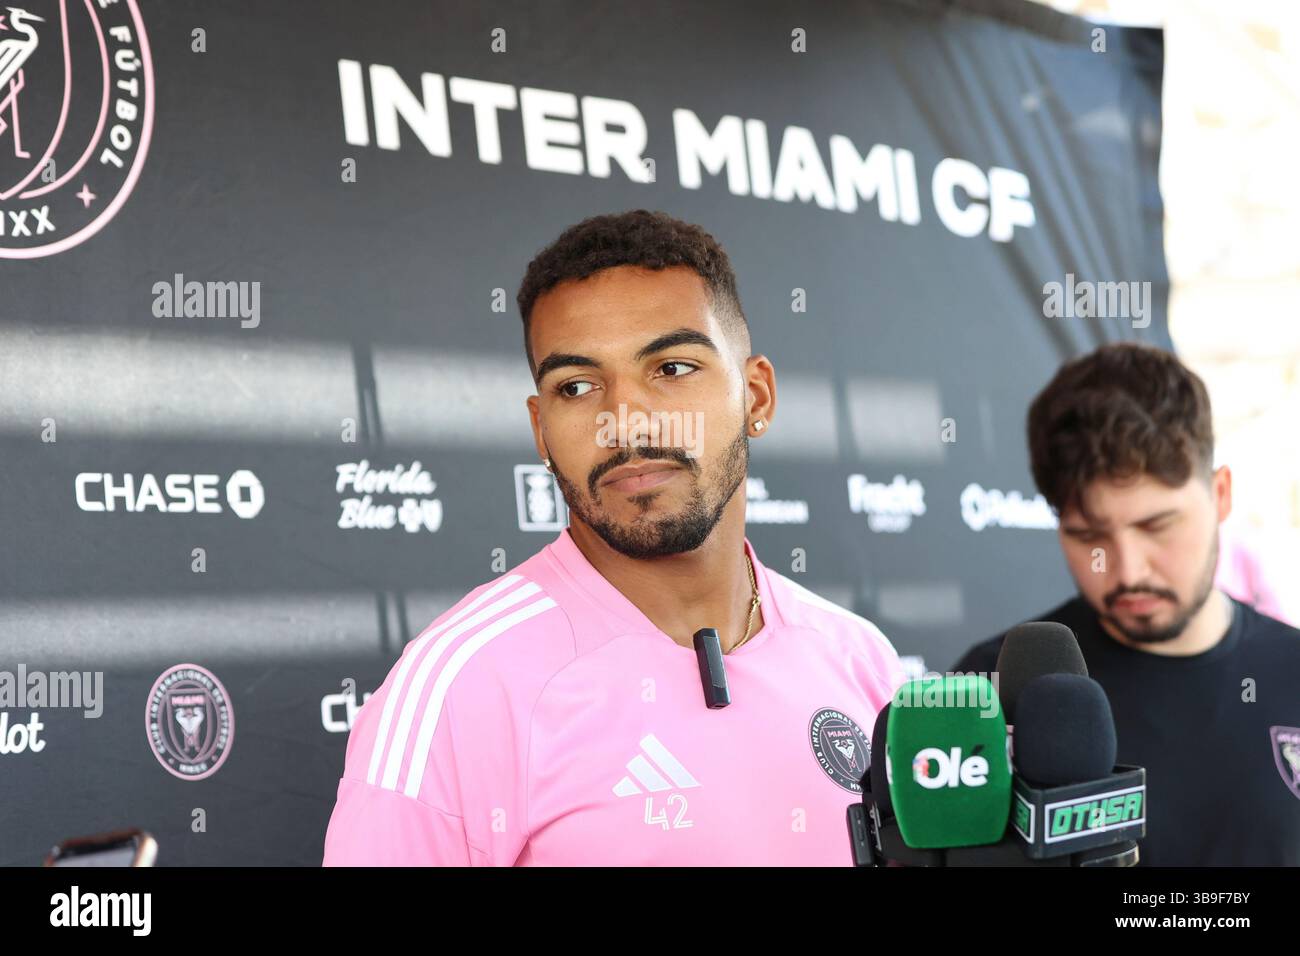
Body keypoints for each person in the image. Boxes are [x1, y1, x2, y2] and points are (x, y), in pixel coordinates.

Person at [323, 210, 905, 865]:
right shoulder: (458, 689)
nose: (625, 424)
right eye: (578, 386)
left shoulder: (860, 658)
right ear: (541, 431)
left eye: (672, 368)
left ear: (757, 396)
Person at [953, 342, 1300, 866]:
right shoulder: (994, 692)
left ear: (1221, 494)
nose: (1127, 570)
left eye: (1157, 526)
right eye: (1090, 535)